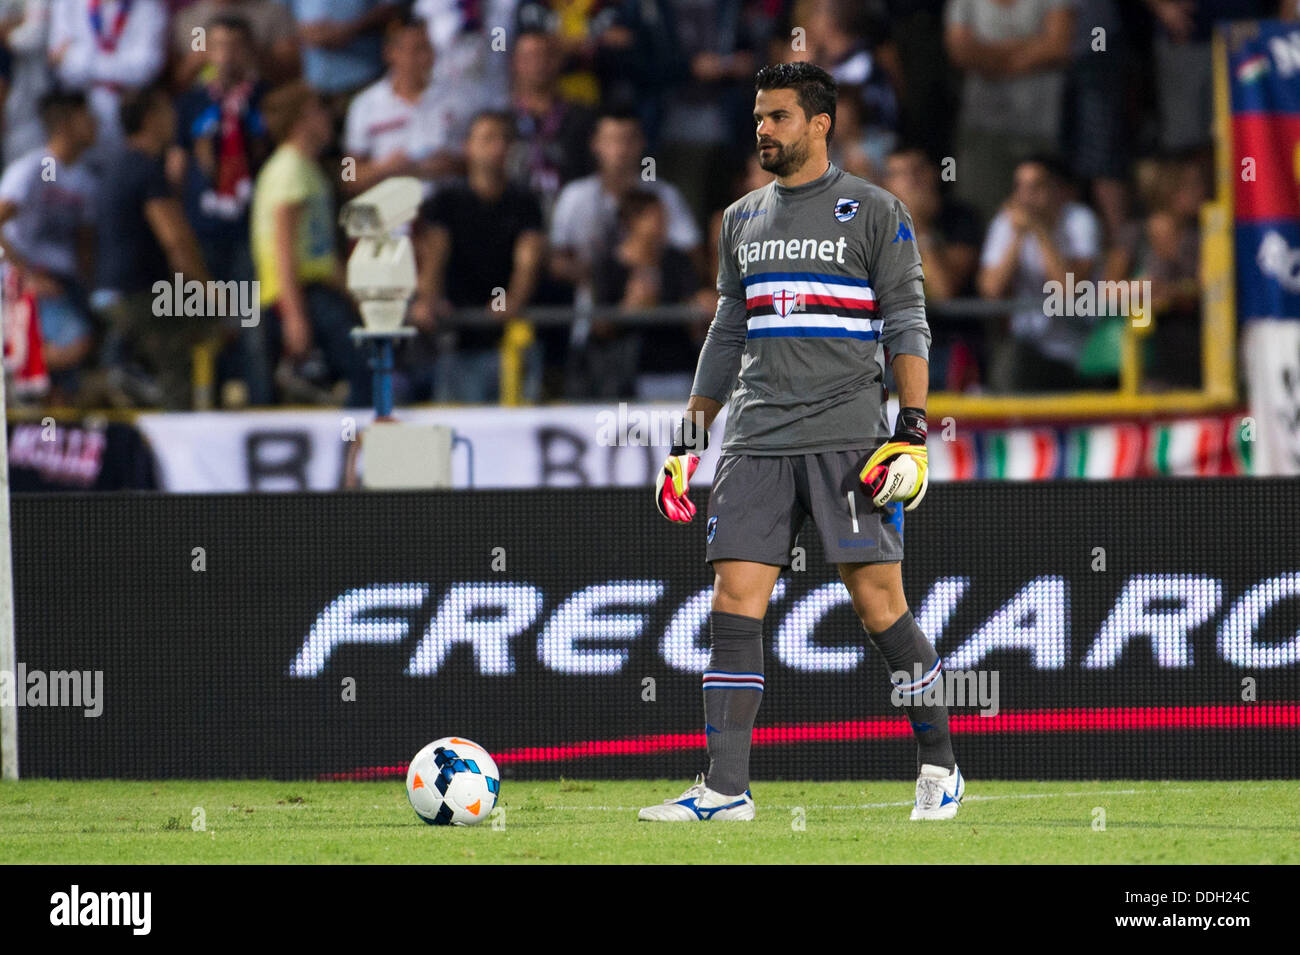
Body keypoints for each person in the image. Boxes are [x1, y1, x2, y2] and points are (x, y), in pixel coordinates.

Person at [641, 62, 963, 823]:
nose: (763, 130)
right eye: (758, 117)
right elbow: (726, 334)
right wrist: (690, 441)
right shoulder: (740, 219)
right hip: (754, 439)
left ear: (821, 124)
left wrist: (911, 433)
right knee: (733, 601)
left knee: (882, 607)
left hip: (850, 439)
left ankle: (941, 764)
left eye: (778, 117)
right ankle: (725, 789)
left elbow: (908, 325)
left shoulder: (878, 211)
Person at [93, 82, 214, 409]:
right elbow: (175, 241)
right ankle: (181, 443)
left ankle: (120, 363)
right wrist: (208, 290)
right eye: (166, 110)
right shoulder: (147, 170)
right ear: (150, 118)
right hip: (142, 294)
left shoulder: (116, 166)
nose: (174, 117)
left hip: (109, 290)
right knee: (208, 335)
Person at [412, 110, 545, 403]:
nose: (497, 147)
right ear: (468, 147)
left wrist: (514, 299)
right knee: (457, 432)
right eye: (487, 139)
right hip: (457, 336)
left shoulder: (525, 202)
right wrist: (428, 298)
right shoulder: (445, 201)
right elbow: (434, 255)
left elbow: (529, 257)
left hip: (509, 336)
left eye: (503, 140)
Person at [250, 81, 369, 406]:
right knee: (364, 371)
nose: (328, 119)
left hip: (316, 291)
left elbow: (319, 251)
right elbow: (283, 250)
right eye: (320, 111)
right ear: (302, 118)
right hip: (299, 294)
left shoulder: (308, 172)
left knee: (363, 371)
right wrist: (294, 315)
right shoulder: (288, 172)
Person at [0, 90, 98, 400]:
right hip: (24, 277)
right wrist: (26, 274)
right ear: (65, 124)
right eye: (87, 117)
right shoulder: (32, 170)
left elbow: (84, 242)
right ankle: (13, 365)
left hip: (62, 280)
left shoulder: (85, 179)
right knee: (77, 342)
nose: (95, 124)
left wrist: (89, 285)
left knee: (69, 377)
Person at [976, 154, 1101, 392]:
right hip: (1027, 346)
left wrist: (1040, 230)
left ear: (1058, 191)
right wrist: (1018, 236)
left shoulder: (1079, 219)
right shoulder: (1006, 223)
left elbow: (1068, 290)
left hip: (1078, 347)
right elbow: (990, 290)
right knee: (1009, 363)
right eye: (1019, 187)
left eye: (1036, 186)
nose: (1026, 196)